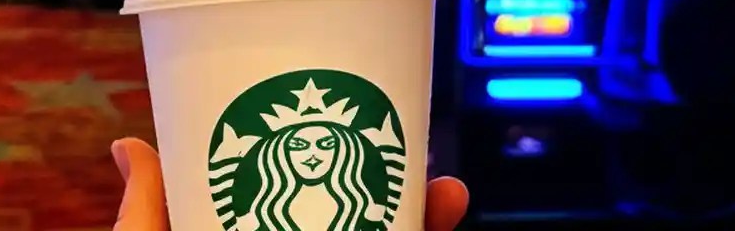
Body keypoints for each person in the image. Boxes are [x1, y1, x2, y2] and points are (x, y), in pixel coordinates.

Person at [110, 138, 468, 231]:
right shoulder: (255, 214)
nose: (312, 156)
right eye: (298, 145)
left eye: (326, 145)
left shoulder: (370, 209)